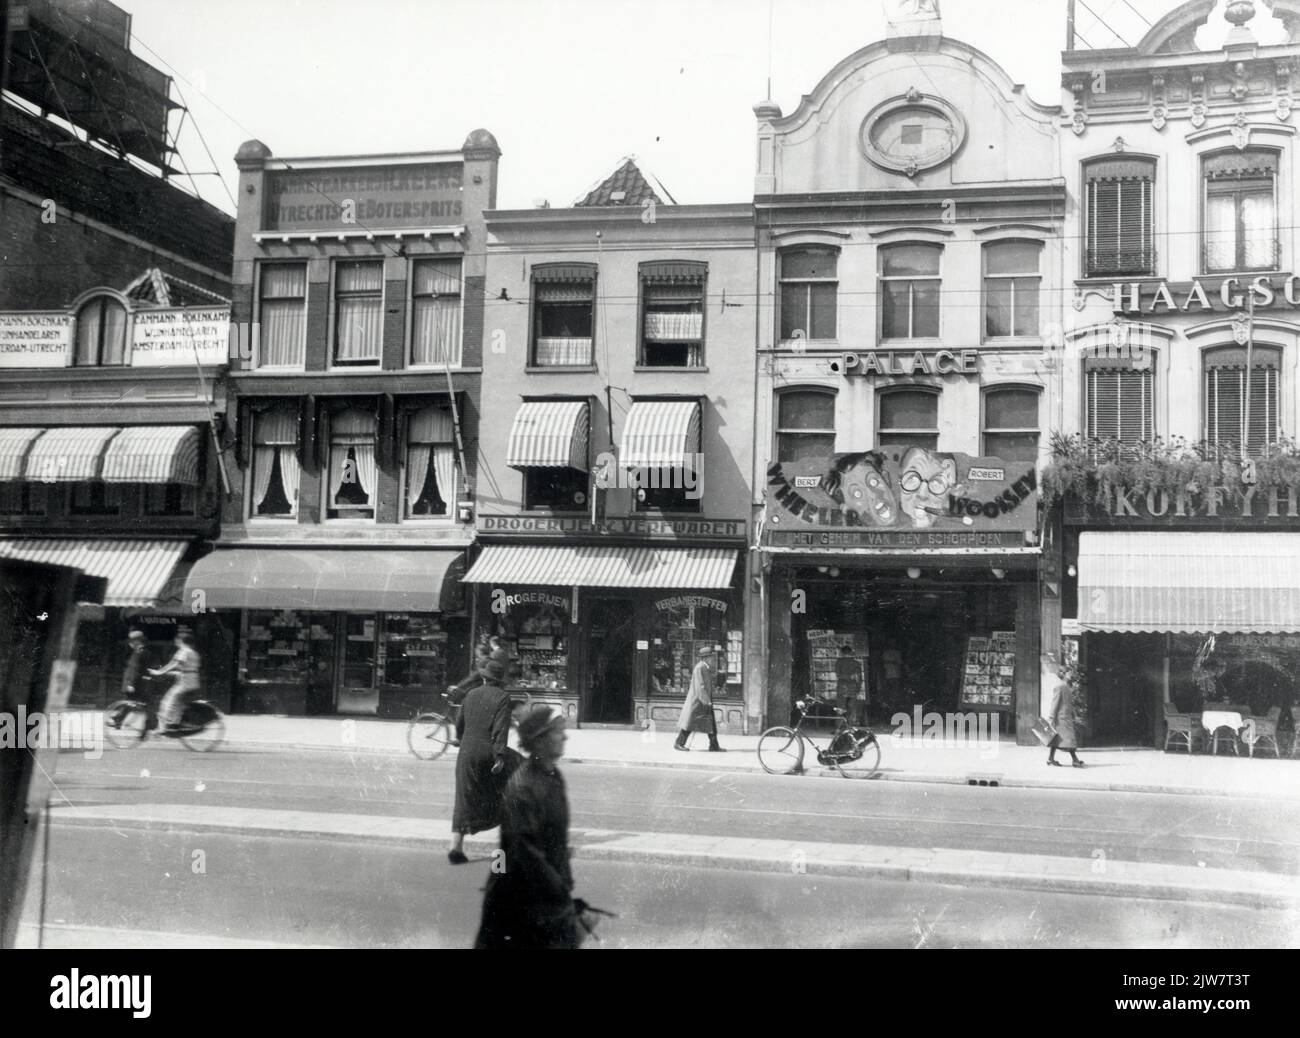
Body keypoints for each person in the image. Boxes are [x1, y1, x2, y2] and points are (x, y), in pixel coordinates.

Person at [475, 705, 595, 949]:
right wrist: (560, 894)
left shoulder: (553, 777)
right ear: (539, 740)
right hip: (516, 899)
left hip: (543, 895)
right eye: (557, 731)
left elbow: (556, 840)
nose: (565, 736)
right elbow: (526, 852)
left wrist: (564, 881)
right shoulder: (523, 787)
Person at [449, 653, 520, 864]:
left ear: (484, 678)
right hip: (489, 753)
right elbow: (500, 730)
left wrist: (459, 739)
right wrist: (499, 756)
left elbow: (459, 723)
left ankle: (455, 847)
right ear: (499, 680)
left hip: (467, 753)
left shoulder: (469, 695)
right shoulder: (502, 698)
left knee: (463, 798)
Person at [148, 629, 201, 734]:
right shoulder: (194, 653)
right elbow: (189, 669)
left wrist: (158, 672)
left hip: (184, 683)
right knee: (178, 703)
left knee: (166, 702)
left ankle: (162, 729)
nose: (176, 642)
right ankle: (176, 723)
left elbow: (172, 665)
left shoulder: (183, 651)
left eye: (177, 640)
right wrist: (174, 673)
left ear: (181, 641)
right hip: (193, 682)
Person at [673, 645, 725, 752]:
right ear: (706, 658)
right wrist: (707, 701)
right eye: (711, 657)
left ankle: (714, 745)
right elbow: (700, 686)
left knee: (710, 724)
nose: (712, 659)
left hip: (703, 701)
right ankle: (679, 743)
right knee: (689, 724)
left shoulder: (705, 667)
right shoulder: (699, 667)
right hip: (698, 702)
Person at [1047, 663, 1084, 768]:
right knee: (1069, 739)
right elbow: (1055, 702)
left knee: (1057, 739)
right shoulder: (1059, 686)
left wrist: (1075, 715)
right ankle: (1075, 760)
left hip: (1066, 717)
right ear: (1063, 674)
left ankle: (1050, 759)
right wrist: (1051, 718)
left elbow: (1069, 703)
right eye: (1069, 673)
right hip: (1061, 718)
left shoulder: (1066, 686)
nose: (1071, 674)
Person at [110, 630, 149, 727]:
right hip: (132, 682)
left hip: (134, 683)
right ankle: (118, 720)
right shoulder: (137, 651)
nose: (130, 643)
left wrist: (131, 684)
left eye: (132, 640)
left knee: (131, 702)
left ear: (138, 641)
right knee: (131, 702)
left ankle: (118, 719)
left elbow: (135, 670)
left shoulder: (139, 652)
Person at [835, 645, 865, 726]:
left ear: (842, 653)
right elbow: (859, 678)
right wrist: (858, 689)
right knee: (852, 709)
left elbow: (838, 675)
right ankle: (852, 727)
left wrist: (846, 677)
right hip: (853, 688)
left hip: (842, 687)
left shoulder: (839, 662)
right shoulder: (856, 663)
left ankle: (839, 727)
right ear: (850, 652)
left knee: (840, 708)